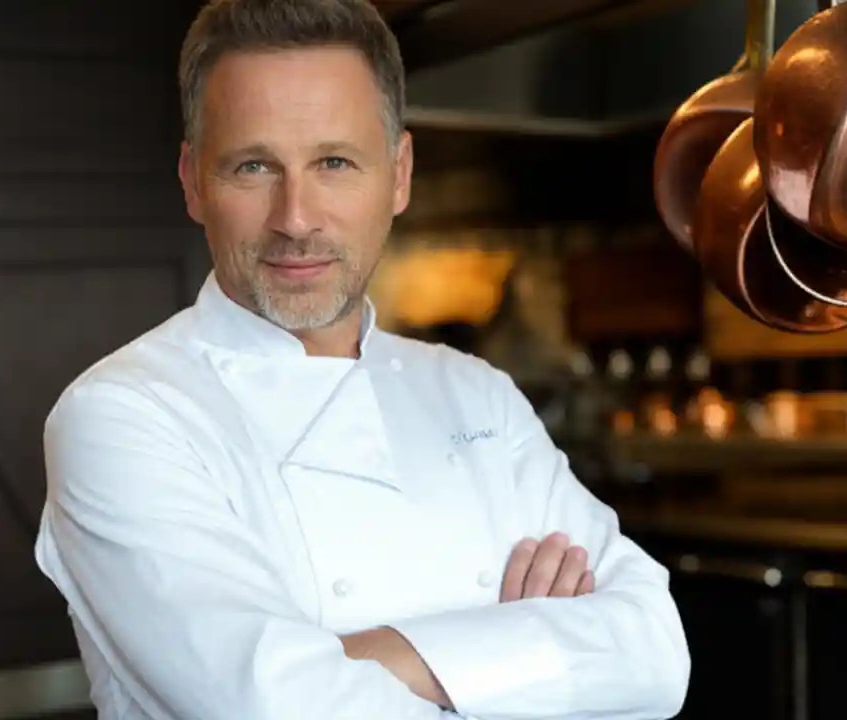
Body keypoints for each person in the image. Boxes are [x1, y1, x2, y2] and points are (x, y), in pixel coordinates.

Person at [34, 0, 690, 717]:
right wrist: (532, 650)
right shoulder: (124, 415)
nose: (296, 218)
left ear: (400, 173)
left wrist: (348, 656)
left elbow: (656, 654)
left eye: (335, 162)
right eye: (253, 166)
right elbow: (269, 708)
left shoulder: (477, 394)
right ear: (193, 181)